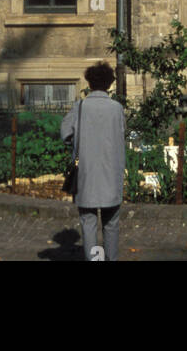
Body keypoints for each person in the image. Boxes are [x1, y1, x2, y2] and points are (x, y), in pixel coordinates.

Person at [61, 61, 126, 262]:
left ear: (89, 83)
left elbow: (65, 133)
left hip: (87, 175)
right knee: (111, 224)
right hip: (111, 174)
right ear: (109, 84)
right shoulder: (117, 108)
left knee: (88, 223)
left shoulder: (80, 107)